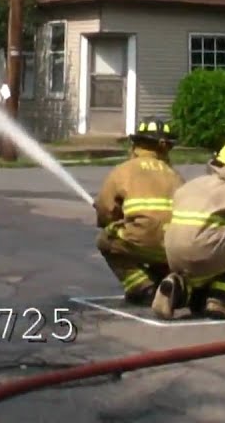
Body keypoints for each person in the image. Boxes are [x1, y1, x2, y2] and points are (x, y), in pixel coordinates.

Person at [154, 138, 225, 320]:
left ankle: (177, 287)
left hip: (175, 257)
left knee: (198, 302)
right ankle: (221, 301)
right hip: (207, 256)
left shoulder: (190, 185)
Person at [92, 117, 185, 307]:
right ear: (164, 147)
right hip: (174, 246)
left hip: (141, 240)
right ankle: (168, 282)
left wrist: (109, 222)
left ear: (136, 144)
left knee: (106, 241)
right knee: (157, 241)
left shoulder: (123, 171)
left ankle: (142, 287)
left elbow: (105, 210)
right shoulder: (175, 175)